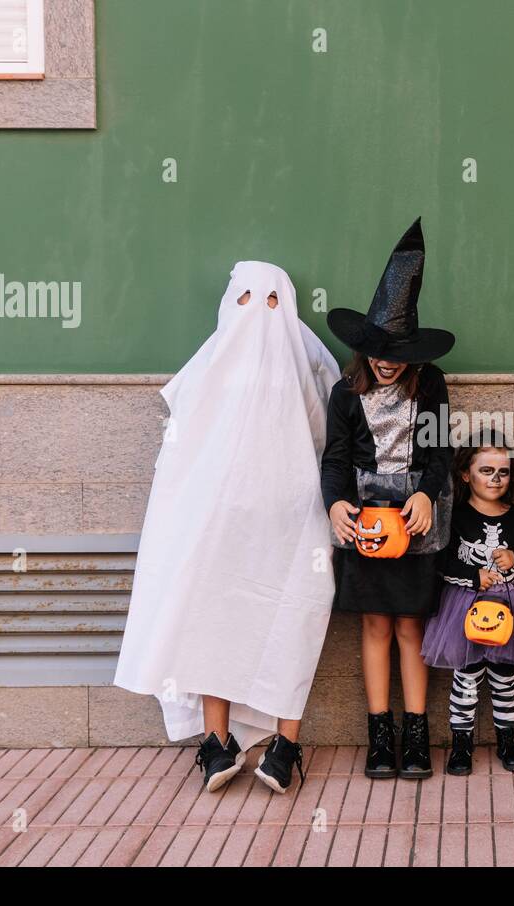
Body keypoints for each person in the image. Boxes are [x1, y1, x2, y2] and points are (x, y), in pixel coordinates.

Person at [114, 261, 339, 795]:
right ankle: (217, 745)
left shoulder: (302, 362)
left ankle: (287, 745)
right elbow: (181, 451)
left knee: (293, 621)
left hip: (292, 527)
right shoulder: (208, 366)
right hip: (218, 527)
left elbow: (323, 432)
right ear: (227, 302)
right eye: (244, 300)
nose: (256, 315)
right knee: (216, 623)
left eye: (269, 302)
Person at [321, 218, 456, 780]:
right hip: (368, 527)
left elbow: (441, 452)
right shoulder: (346, 394)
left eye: (397, 351)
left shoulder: (429, 387)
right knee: (375, 625)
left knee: (410, 627)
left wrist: (427, 494)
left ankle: (417, 735)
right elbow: (334, 459)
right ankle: (380, 736)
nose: (386, 360)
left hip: (417, 526)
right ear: (363, 349)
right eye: (377, 350)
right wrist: (334, 504)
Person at [421, 433, 514, 775]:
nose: (495, 479)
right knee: (466, 677)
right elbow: (442, 559)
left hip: (510, 606)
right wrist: (472, 574)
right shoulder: (456, 517)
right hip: (464, 608)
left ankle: (508, 740)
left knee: (505, 676)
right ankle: (461, 743)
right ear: (465, 474)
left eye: (503, 472)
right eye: (486, 470)